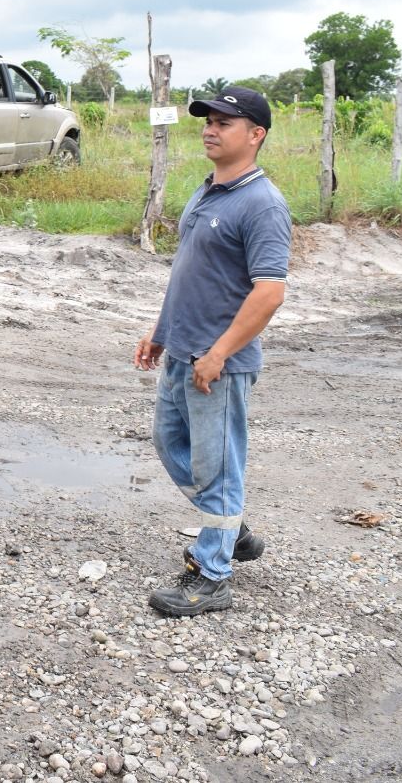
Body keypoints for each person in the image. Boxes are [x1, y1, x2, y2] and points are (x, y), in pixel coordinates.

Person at [134, 88, 290, 618]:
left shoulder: (262, 204)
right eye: (209, 120)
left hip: (217, 365)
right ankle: (230, 525)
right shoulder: (208, 190)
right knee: (168, 442)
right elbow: (190, 272)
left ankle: (212, 576)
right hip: (182, 351)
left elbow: (269, 292)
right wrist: (160, 331)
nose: (210, 128)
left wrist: (220, 352)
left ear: (256, 135)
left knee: (218, 468)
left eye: (225, 122)